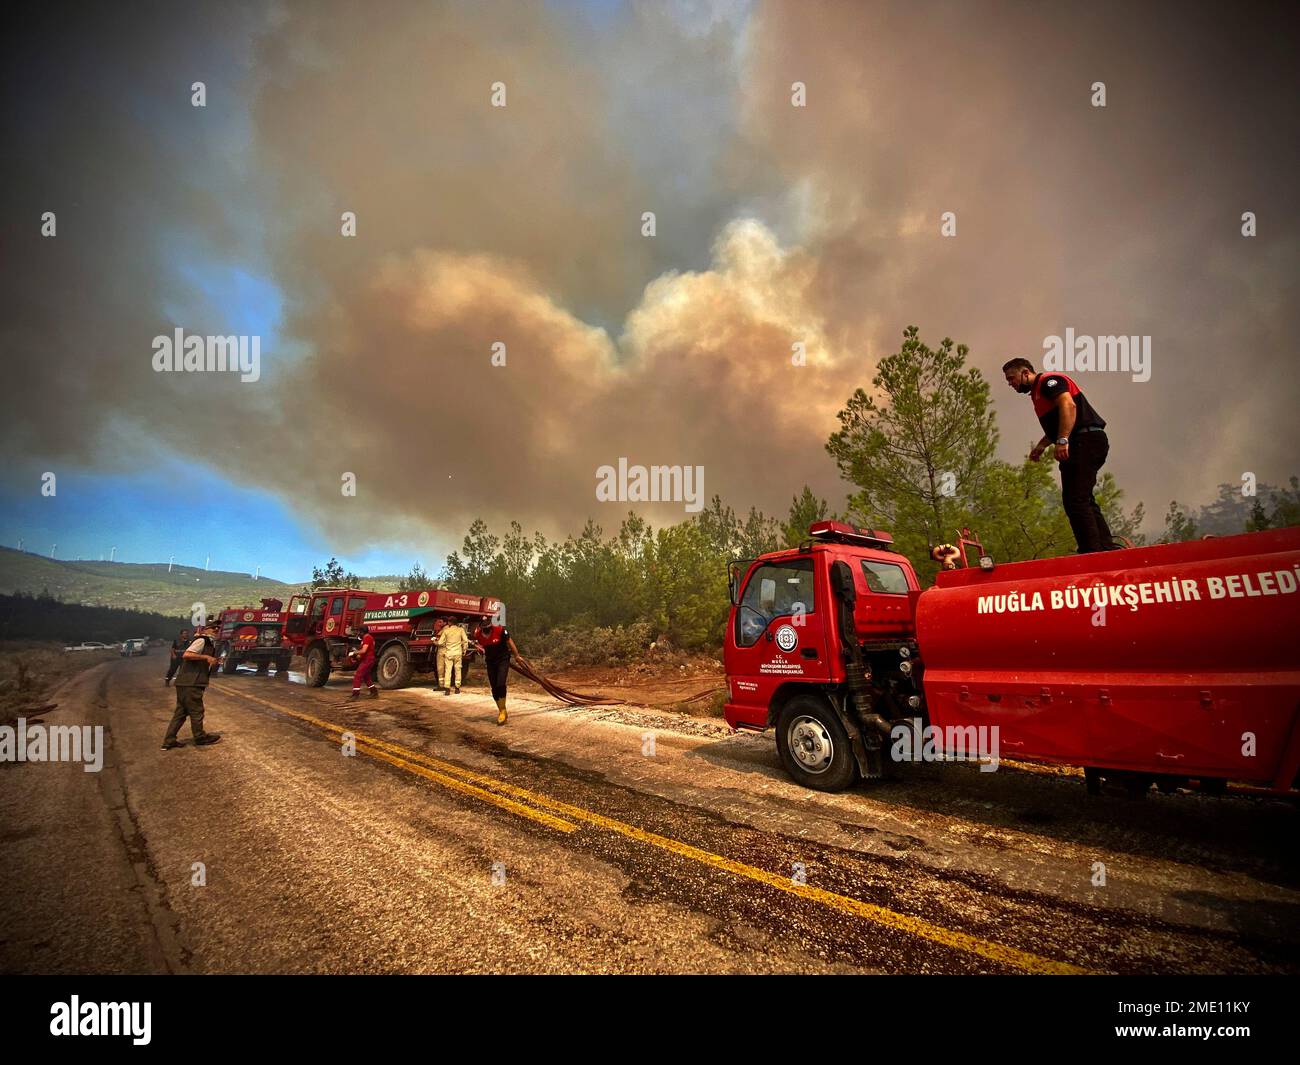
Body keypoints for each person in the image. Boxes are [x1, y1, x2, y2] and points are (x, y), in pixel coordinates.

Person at [1003, 357, 1117, 554]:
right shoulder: (1038, 394)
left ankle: (1092, 551)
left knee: (1076, 499)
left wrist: (1063, 440)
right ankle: (1105, 547)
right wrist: (1041, 446)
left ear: (1025, 373)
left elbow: (1069, 406)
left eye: (1012, 378)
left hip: (1085, 439)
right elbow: (1057, 424)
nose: (1010, 384)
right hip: (1084, 440)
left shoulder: (1049, 381)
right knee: (1082, 497)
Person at [161, 622, 222, 750]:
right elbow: (187, 655)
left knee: (181, 713)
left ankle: (169, 740)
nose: (216, 629)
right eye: (213, 628)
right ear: (206, 629)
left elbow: (199, 660)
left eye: (218, 628)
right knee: (197, 711)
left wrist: (213, 660)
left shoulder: (208, 642)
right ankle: (200, 737)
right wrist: (206, 657)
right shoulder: (202, 640)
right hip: (191, 683)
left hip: (186, 682)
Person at [475, 620, 522, 726]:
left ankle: (502, 711)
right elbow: (479, 644)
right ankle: (502, 710)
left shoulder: (500, 630)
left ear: (491, 627)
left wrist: (517, 655)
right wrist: (480, 649)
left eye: (488, 628)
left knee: (500, 683)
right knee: (494, 687)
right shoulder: (478, 634)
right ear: (481, 628)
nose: (486, 631)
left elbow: (510, 641)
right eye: (484, 629)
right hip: (490, 661)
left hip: (503, 659)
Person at [436, 616, 469, 695]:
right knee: (458, 670)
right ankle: (457, 688)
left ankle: (447, 689)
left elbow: (440, 642)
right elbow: (465, 641)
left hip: (449, 654)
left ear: (449, 623)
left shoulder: (446, 631)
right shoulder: (461, 630)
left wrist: (435, 642)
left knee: (448, 670)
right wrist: (464, 650)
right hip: (458, 653)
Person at [349, 625, 378, 700]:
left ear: (362, 632)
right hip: (368, 659)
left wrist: (355, 652)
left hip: (367, 660)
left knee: (358, 675)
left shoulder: (367, 638)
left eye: (359, 632)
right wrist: (358, 656)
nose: (358, 633)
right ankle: (374, 692)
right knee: (366, 677)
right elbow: (365, 652)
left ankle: (355, 695)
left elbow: (364, 650)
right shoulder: (367, 638)